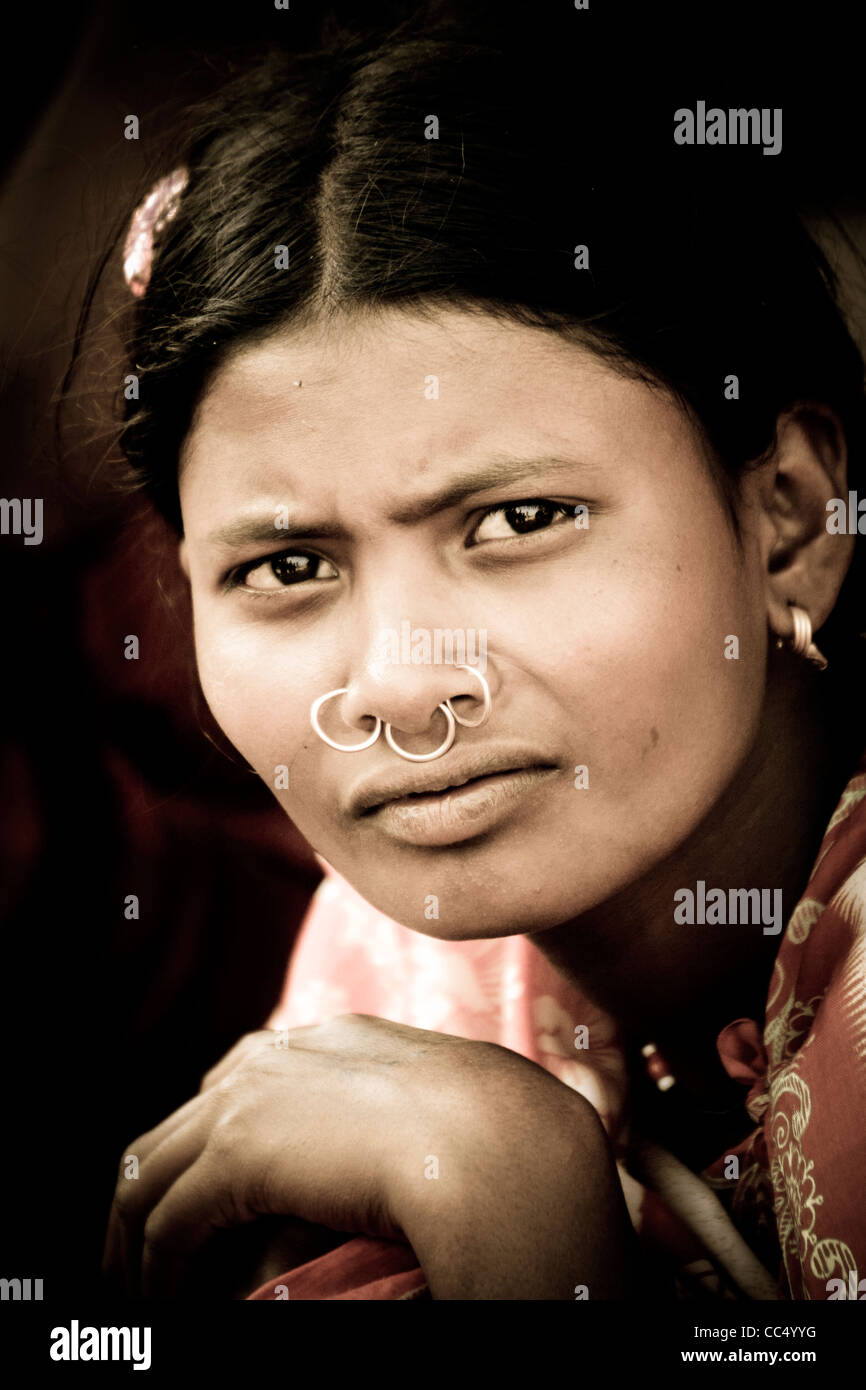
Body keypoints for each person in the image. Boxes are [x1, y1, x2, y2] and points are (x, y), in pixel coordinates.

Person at [98, 18, 866, 1299]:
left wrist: (522, 1223)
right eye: (286, 568)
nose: (403, 689)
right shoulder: (391, 970)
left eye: (519, 520)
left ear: (786, 516)